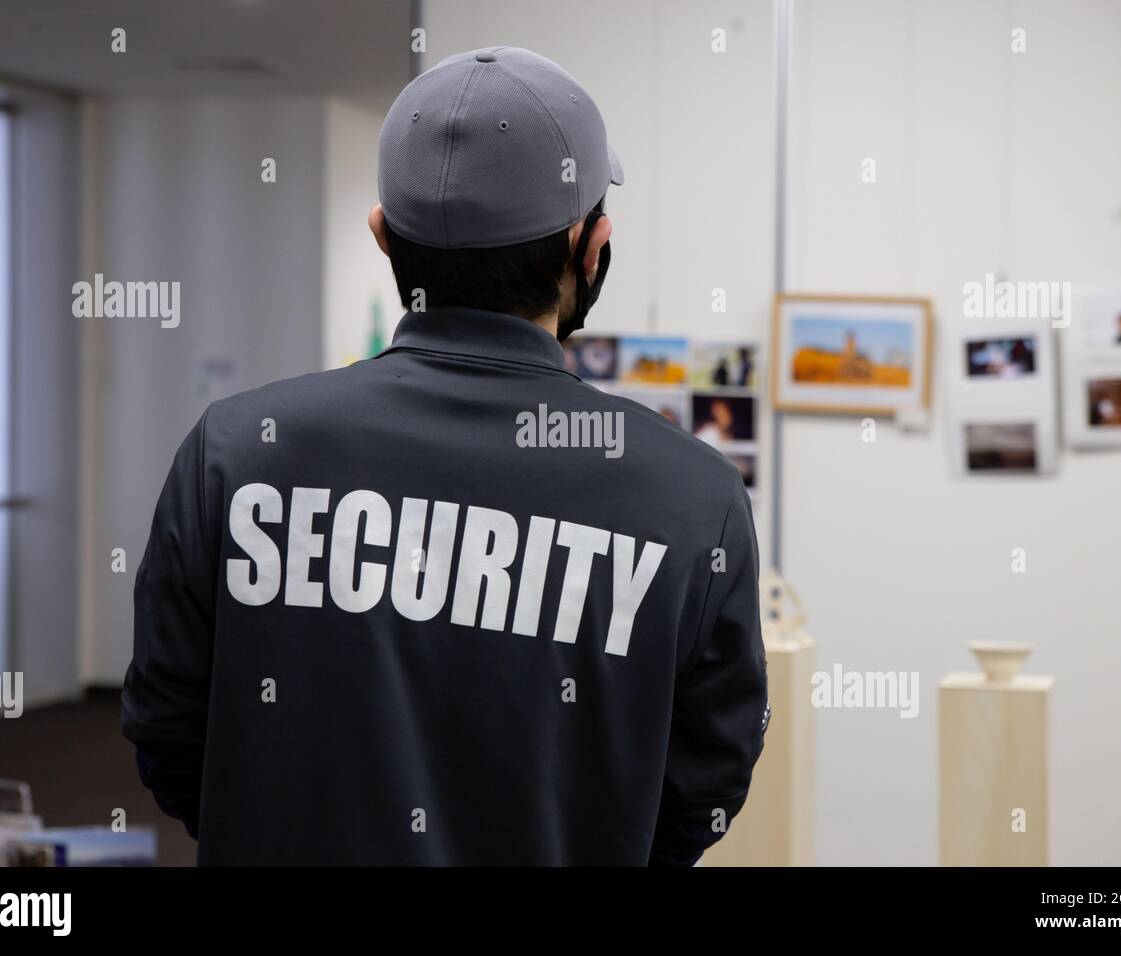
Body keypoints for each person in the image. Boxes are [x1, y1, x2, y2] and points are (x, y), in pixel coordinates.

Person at [122, 46, 767, 866]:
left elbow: (167, 729)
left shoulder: (237, 451)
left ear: (385, 238)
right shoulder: (693, 496)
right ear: (591, 246)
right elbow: (704, 786)